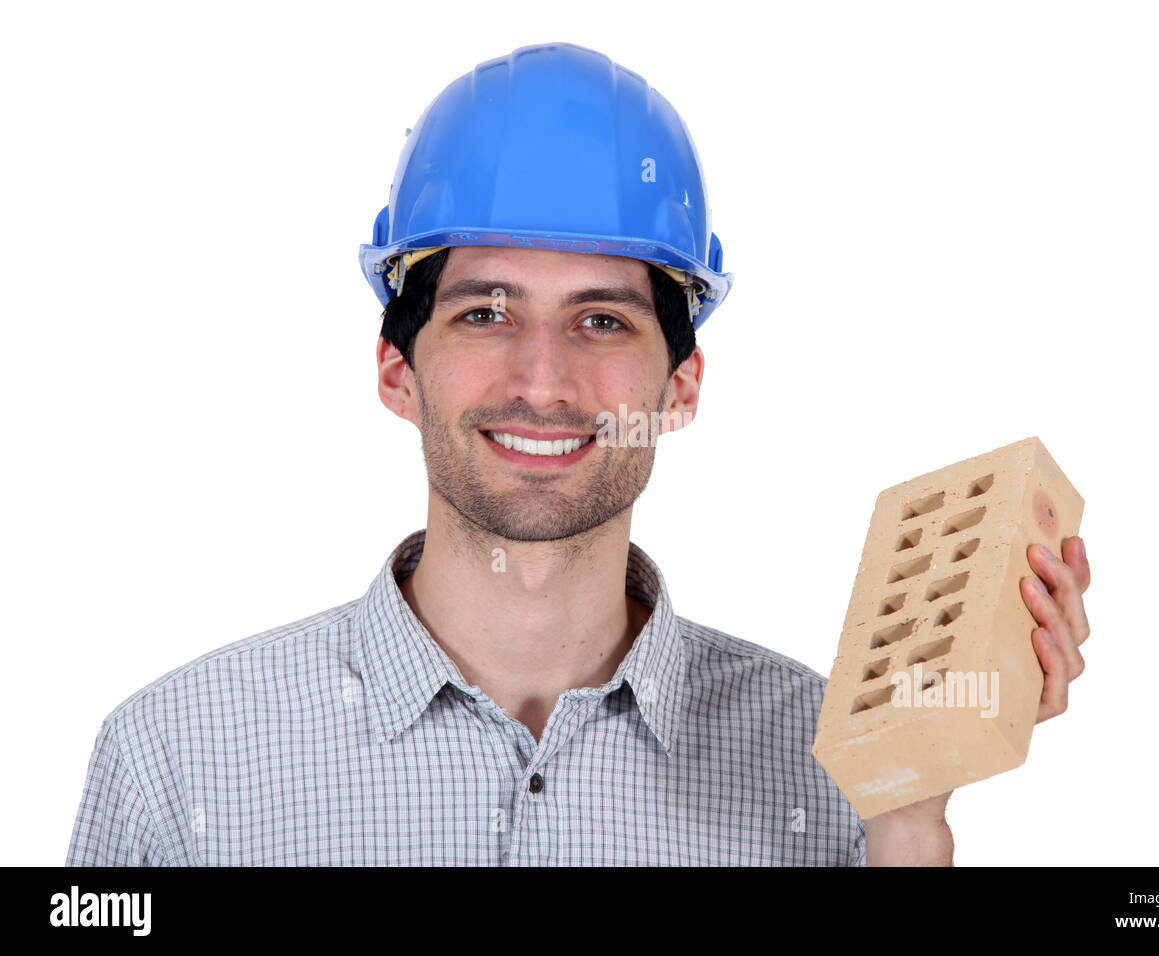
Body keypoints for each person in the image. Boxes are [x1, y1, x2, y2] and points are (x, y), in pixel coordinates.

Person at [66, 41, 1091, 866]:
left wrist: (910, 824)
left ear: (679, 388)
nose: (543, 381)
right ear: (395, 370)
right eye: (482, 313)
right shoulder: (175, 761)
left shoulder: (833, 777)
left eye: (601, 321)